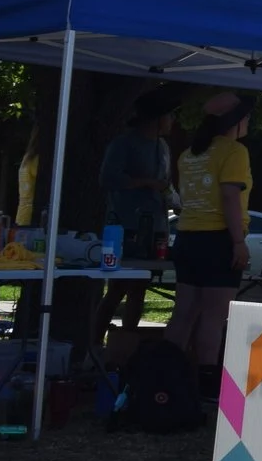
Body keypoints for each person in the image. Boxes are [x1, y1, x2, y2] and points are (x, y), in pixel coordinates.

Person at [165, 92, 252, 373]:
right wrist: (238, 241)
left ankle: (166, 376)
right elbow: (229, 197)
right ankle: (206, 382)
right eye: (247, 117)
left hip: (187, 238)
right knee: (213, 318)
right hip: (218, 240)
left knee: (184, 313)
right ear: (236, 121)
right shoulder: (234, 151)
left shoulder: (188, 154)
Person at [97, 89, 175, 333]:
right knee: (118, 286)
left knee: (140, 286)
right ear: (157, 117)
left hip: (156, 226)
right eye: (170, 115)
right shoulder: (124, 143)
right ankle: (95, 341)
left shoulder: (163, 146)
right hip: (126, 225)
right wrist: (145, 182)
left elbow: (165, 181)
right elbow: (108, 178)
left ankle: (127, 342)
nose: (173, 121)